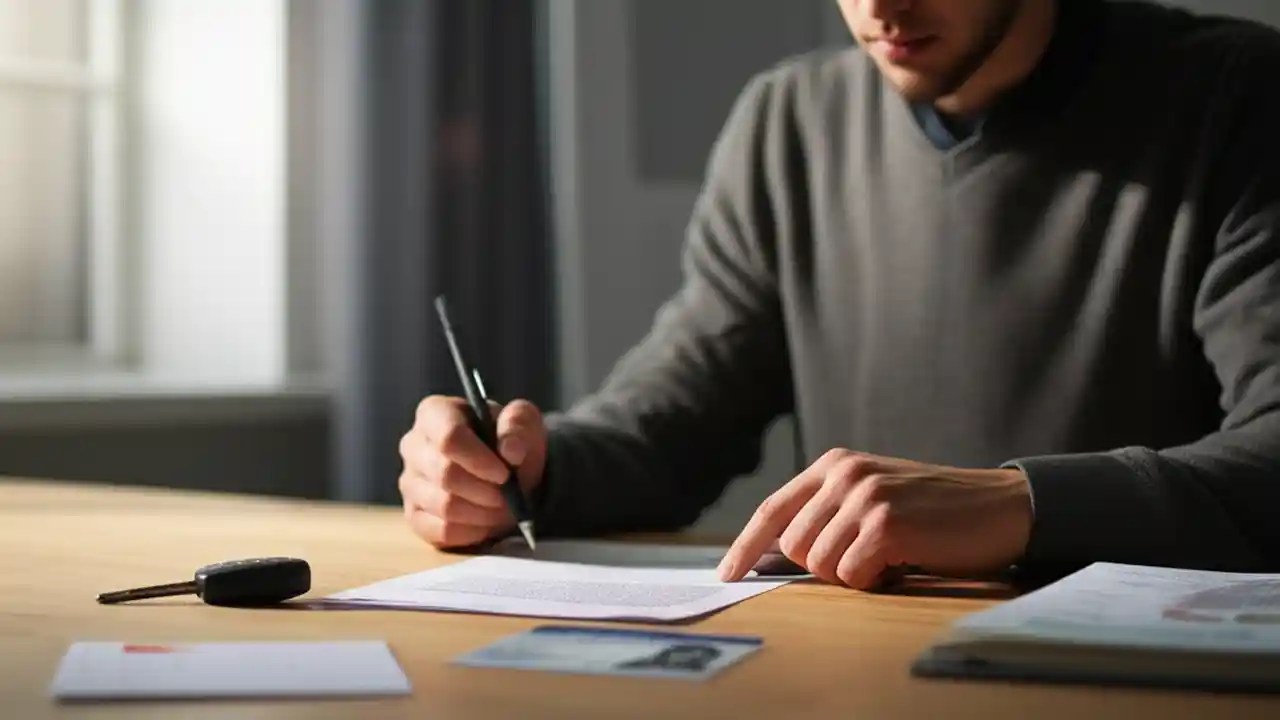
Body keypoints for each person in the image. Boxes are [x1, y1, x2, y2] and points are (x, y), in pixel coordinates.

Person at [398, 0, 1280, 589]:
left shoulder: (1237, 97)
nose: (881, 5)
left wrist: (1022, 505)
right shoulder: (790, 120)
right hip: (856, 665)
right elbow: (675, 422)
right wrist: (522, 472)